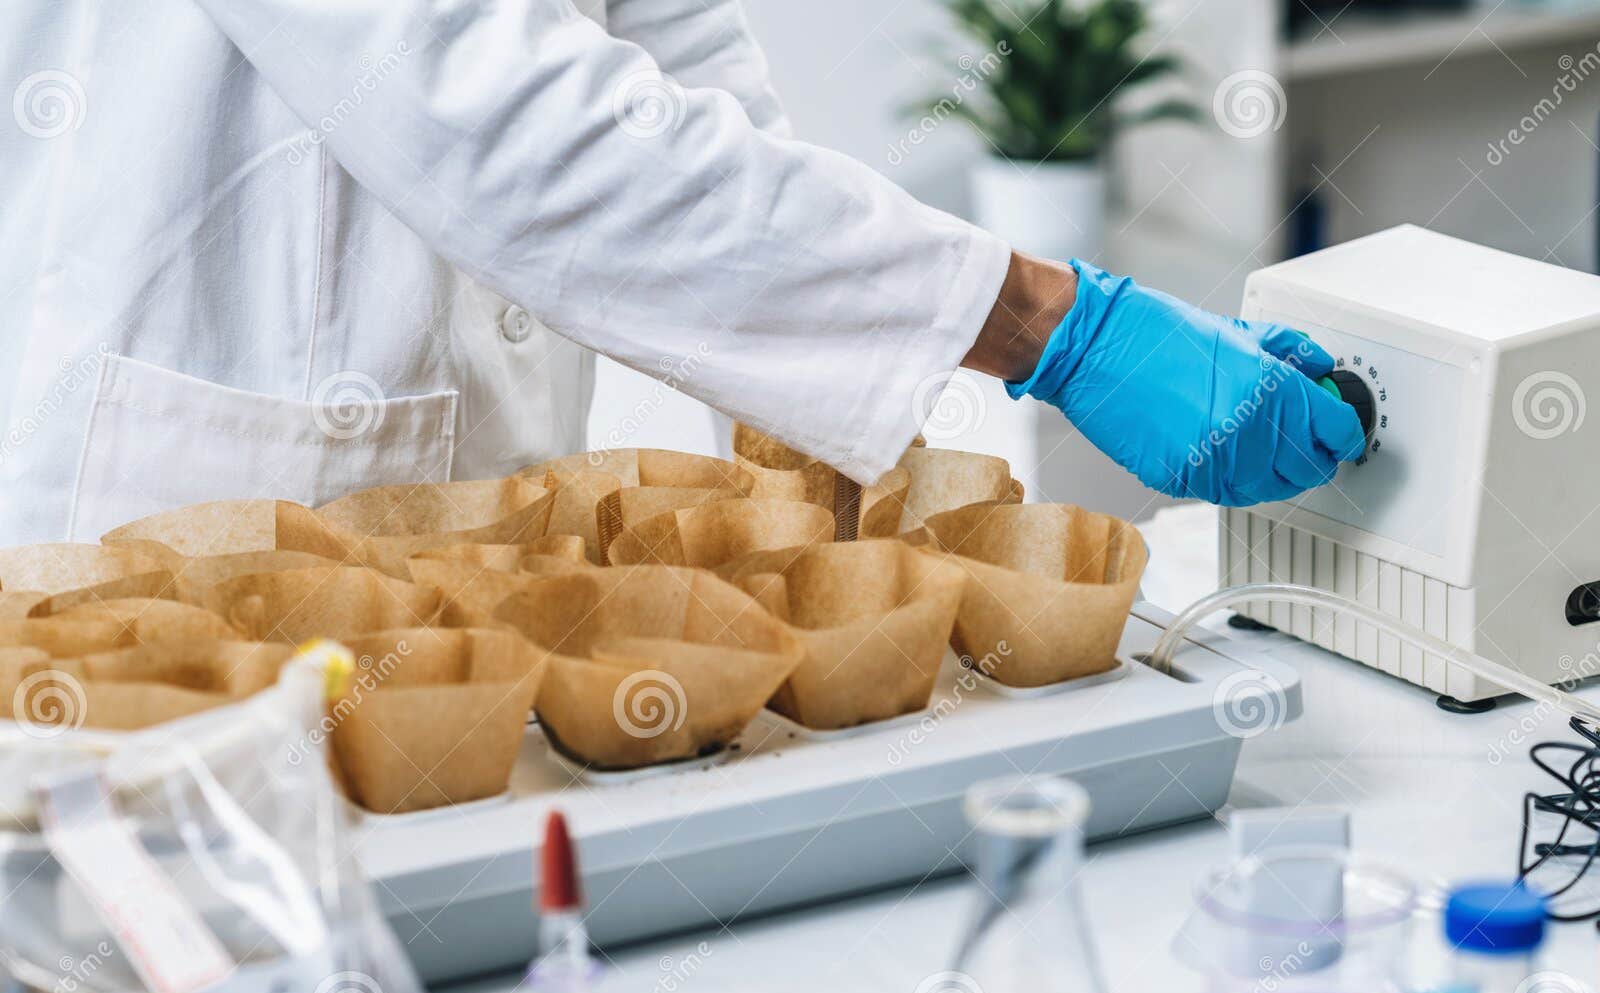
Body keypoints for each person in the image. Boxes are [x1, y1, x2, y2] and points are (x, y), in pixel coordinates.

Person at [0, 0, 1364, 547]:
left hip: (462, 494)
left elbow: (672, 66)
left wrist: (819, 452)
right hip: (165, 485)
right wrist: (1045, 322)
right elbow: (489, 109)